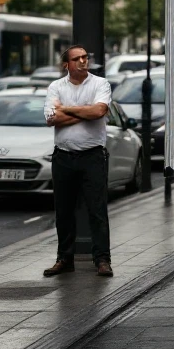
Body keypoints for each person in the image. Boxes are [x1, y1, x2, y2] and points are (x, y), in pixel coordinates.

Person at [43, 45, 114, 278]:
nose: (83, 61)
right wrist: (84, 112)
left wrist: (67, 110)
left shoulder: (100, 84)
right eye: (77, 59)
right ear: (67, 64)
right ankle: (65, 259)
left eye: (85, 57)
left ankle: (102, 260)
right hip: (63, 156)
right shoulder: (56, 87)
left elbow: (99, 112)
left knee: (97, 211)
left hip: (92, 156)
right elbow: (52, 119)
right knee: (63, 211)